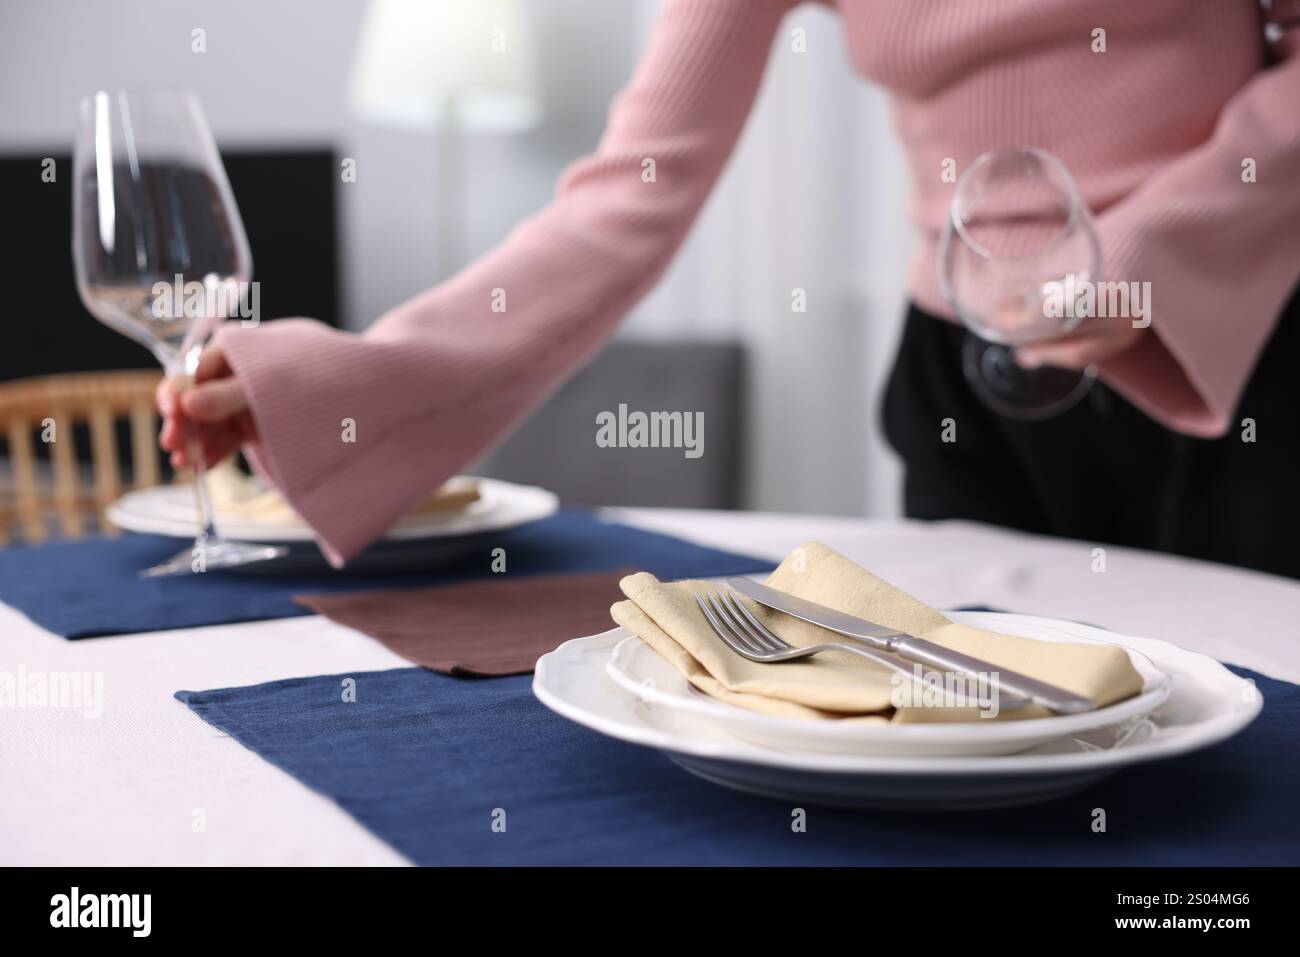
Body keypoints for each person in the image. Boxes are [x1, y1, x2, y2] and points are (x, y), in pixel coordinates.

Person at [159, 0, 1300, 578]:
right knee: (998, 751)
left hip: (1232, 339)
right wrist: (335, 387)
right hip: (969, 374)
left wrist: (1138, 268)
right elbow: (628, 198)